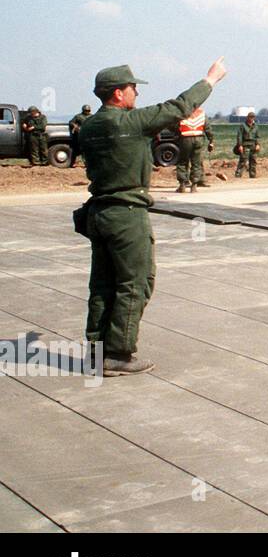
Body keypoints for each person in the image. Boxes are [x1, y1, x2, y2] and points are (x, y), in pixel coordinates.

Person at [79, 58, 227, 376]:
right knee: (135, 282)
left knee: (103, 284)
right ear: (118, 93)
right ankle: (118, 354)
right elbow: (179, 107)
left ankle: (96, 352)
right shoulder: (131, 122)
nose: (137, 93)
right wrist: (210, 80)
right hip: (127, 214)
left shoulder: (88, 127)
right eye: (133, 88)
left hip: (99, 212)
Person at [174, 106, 214, 192]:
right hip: (198, 138)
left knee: (182, 162)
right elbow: (208, 128)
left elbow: (175, 127)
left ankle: (182, 185)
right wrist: (211, 140)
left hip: (185, 138)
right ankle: (194, 186)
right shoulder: (201, 113)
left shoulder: (182, 112)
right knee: (196, 163)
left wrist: (177, 137)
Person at [234, 111, 260, 177]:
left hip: (253, 145)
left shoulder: (256, 126)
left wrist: (258, 144)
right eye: (250, 117)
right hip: (245, 145)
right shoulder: (243, 126)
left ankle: (252, 175)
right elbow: (239, 136)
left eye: (253, 117)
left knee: (253, 160)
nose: (251, 118)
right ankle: (238, 175)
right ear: (247, 117)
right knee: (243, 160)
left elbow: (257, 136)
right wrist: (240, 145)